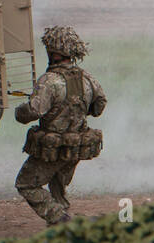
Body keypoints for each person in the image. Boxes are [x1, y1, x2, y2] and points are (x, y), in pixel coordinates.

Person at [14, 26, 106, 226]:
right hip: (75, 149)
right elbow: (99, 106)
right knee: (58, 191)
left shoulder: (49, 81)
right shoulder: (88, 78)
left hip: (52, 150)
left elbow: (34, 111)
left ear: (54, 52)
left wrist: (19, 111)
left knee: (26, 184)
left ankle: (61, 220)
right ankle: (61, 237)